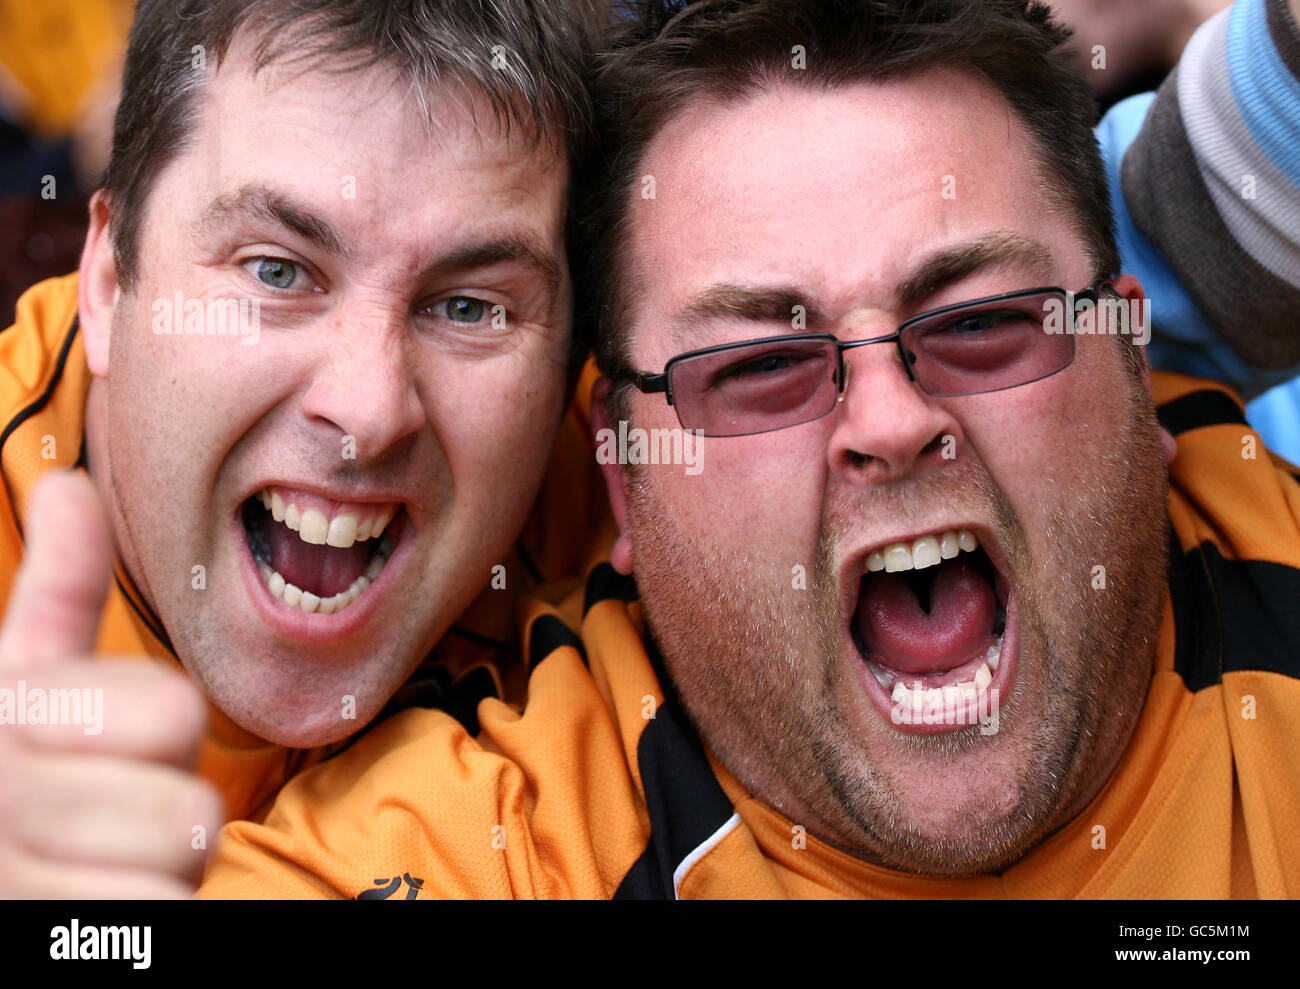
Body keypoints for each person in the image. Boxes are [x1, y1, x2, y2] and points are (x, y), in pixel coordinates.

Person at [200, 0, 1300, 899]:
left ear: (1131, 360)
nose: (888, 422)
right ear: (623, 475)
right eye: (760, 366)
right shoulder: (465, 847)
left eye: (977, 324)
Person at [0, 0, 603, 897]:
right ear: (109, 281)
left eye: (469, 306)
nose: (368, 411)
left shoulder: (654, 480)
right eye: (276, 270)